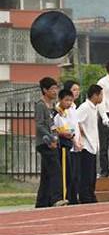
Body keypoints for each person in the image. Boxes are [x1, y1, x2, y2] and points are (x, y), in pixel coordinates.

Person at [34, 77, 66, 208]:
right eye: (52, 89)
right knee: (55, 170)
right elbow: (40, 125)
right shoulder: (40, 105)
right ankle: (56, 198)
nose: (55, 91)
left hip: (53, 141)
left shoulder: (51, 106)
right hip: (45, 143)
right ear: (44, 90)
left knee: (47, 174)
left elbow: (51, 124)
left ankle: (41, 202)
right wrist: (51, 139)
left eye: (56, 88)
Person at [77, 85, 104, 204]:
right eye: (101, 94)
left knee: (92, 174)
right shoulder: (85, 107)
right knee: (86, 174)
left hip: (93, 145)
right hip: (86, 146)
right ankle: (85, 196)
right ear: (95, 95)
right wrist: (82, 134)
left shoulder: (94, 108)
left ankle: (91, 194)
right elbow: (76, 121)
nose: (102, 97)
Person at [53, 88, 80, 204]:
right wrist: (66, 134)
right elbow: (58, 129)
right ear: (60, 100)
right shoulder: (57, 113)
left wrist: (73, 139)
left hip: (69, 143)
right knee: (64, 172)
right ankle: (63, 196)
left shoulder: (66, 112)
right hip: (63, 144)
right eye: (66, 100)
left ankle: (69, 196)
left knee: (70, 171)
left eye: (70, 100)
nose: (69, 103)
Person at [63, 80, 83, 204]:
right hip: (69, 145)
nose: (77, 92)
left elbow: (76, 126)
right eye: (74, 89)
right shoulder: (65, 108)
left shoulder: (75, 107)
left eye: (78, 90)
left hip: (77, 145)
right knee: (70, 174)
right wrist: (74, 141)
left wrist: (79, 140)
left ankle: (74, 197)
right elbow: (68, 127)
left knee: (76, 174)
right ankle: (69, 198)